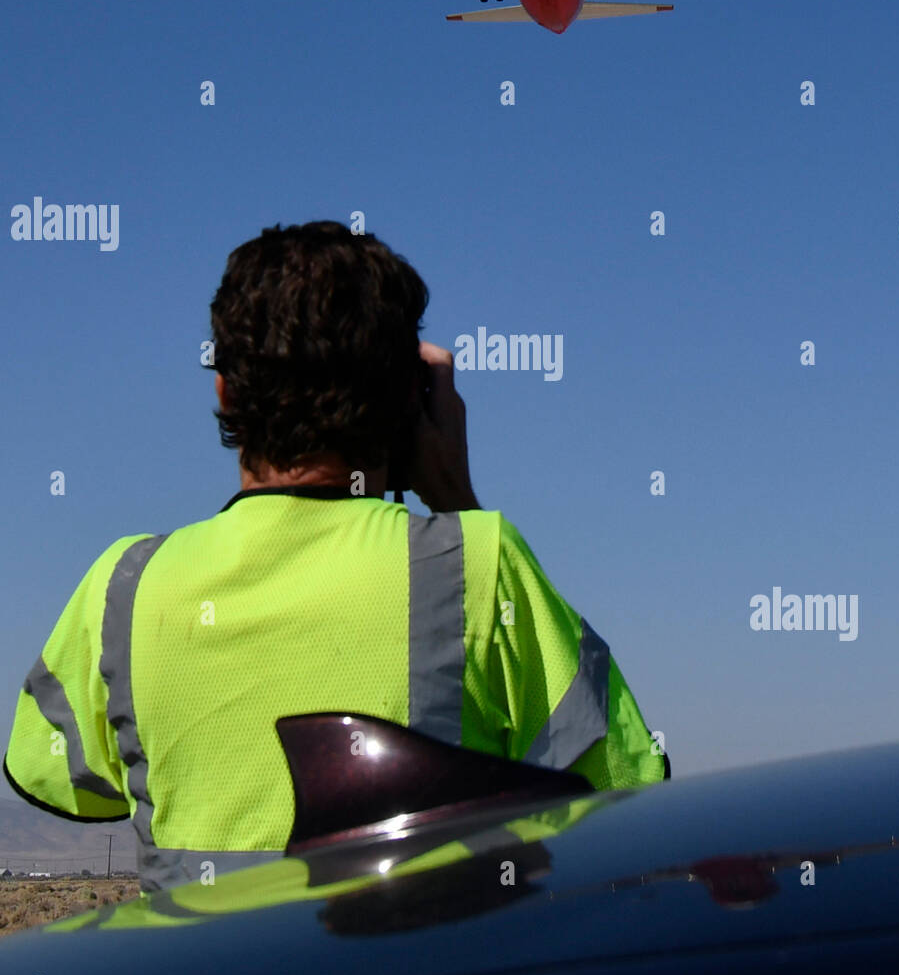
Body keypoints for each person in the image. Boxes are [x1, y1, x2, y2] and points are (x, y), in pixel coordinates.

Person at [4, 222, 666, 892]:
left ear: (225, 392)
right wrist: (457, 501)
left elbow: (60, 779)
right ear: (414, 402)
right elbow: (620, 778)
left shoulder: (124, 585)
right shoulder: (477, 563)